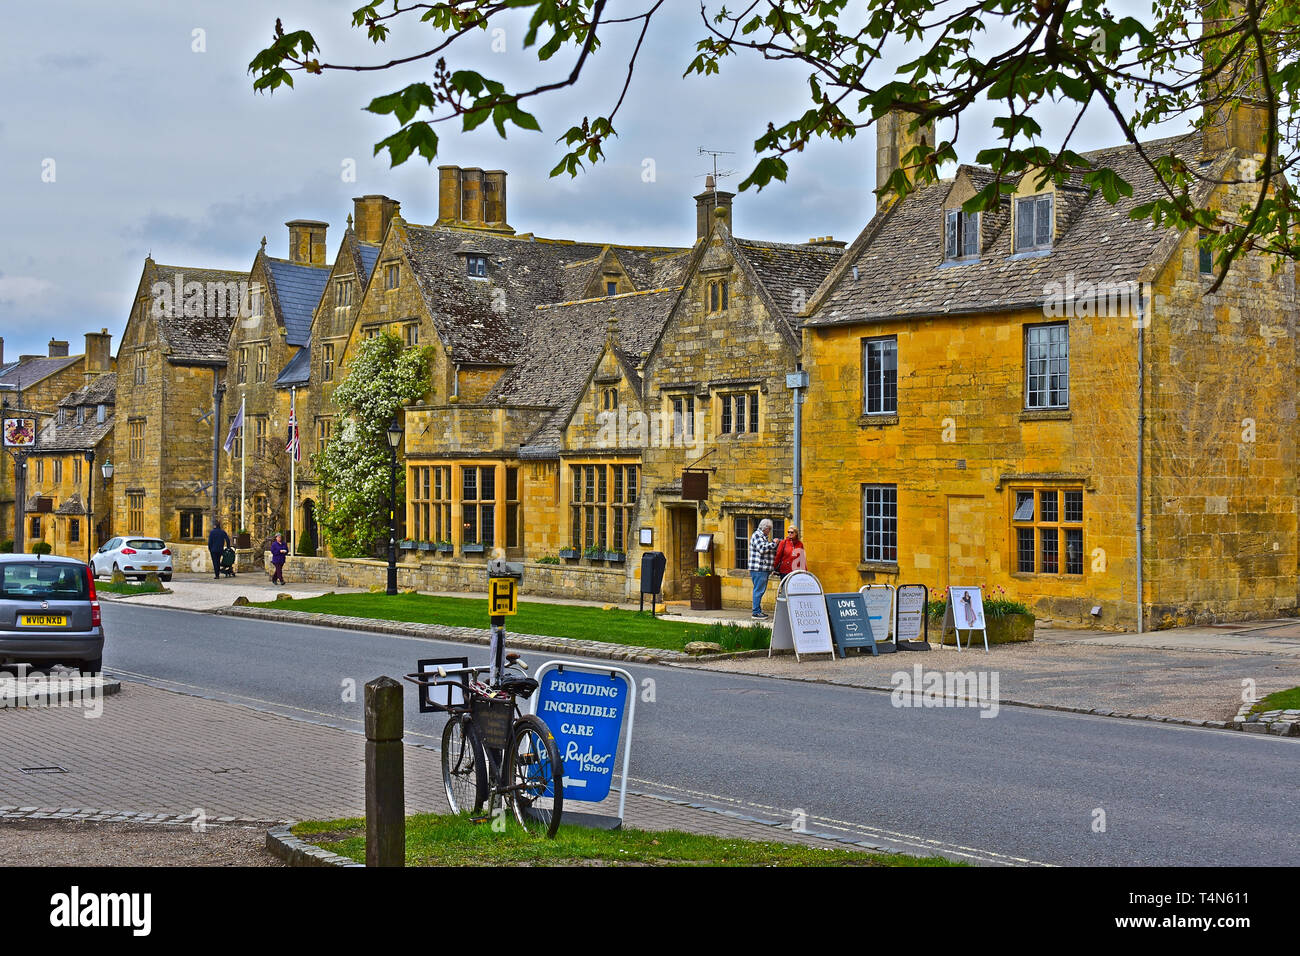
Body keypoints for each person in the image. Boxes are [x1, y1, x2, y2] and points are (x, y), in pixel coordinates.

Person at [747, 518, 778, 619]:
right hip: (758, 569)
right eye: (769, 529)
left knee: (759, 590)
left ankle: (758, 611)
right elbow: (763, 549)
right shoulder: (757, 535)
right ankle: (756, 612)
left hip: (762, 569)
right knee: (759, 590)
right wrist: (774, 543)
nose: (770, 531)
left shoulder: (763, 537)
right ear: (766, 528)